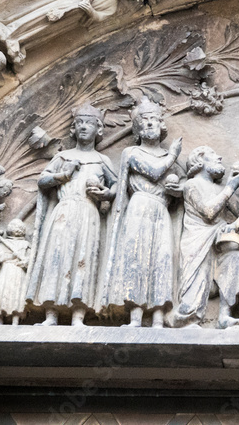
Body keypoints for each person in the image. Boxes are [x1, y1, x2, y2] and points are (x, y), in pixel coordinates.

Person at [26, 104, 116, 326]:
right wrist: (63, 175)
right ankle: (51, 314)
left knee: (83, 260)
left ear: (99, 129)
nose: (84, 127)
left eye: (89, 123)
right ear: (73, 129)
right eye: (79, 123)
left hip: (88, 213)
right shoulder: (63, 157)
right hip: (64, 212)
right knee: (56, 258)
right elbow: (42, 181)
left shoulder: (102, 161)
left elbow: (116, 187)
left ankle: (79, 315)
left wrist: (105, 193)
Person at [99, 97, 181, 327]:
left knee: (162, 260)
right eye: (144, 122)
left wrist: (177, 190)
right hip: (139, 208)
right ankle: (135, 315)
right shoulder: (132, 153)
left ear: (161, 125)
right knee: (137, 258)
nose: (149, 124)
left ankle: (157, 316)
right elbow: (153, 173)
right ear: (137, 129)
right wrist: (173, 155)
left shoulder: (168, 157)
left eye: (154, 120)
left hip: (161, 210)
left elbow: (180, 189)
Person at [174, 146, 239, 328]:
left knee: (235, 254)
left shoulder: (218, 189)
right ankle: (189, 319)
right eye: (213, 155)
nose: (220, 156)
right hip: (198, 243)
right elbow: (208, 212)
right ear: (200, 160)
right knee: (194, 288)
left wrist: (236, 223)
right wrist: (231, 187)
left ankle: (224, 315)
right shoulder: (191, 185)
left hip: (219, 241)